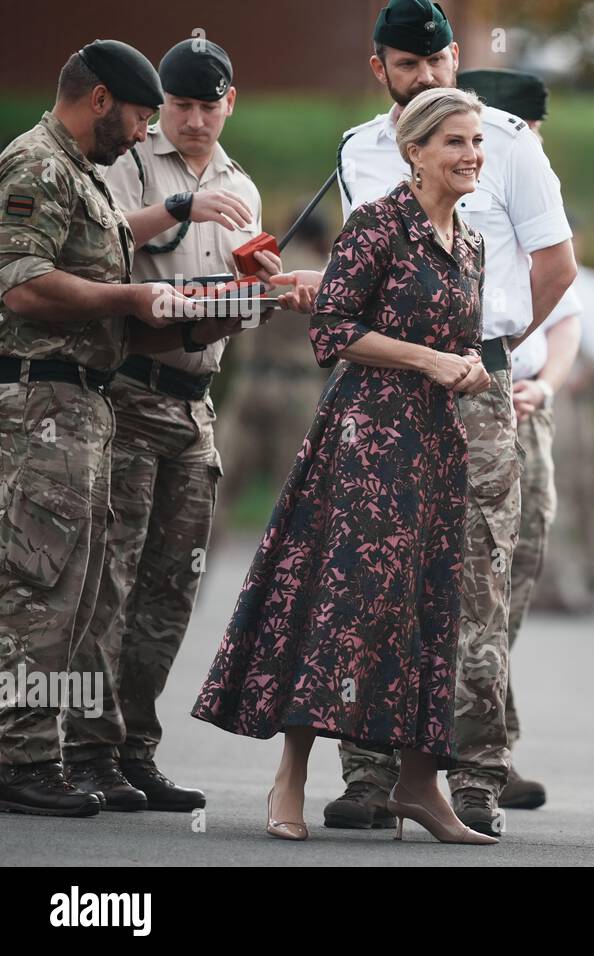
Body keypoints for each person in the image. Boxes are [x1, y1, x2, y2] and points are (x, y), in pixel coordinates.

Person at [272, 0, 578, 837]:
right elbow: (351, 293)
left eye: (440, 58)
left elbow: (557, 265)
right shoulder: (358, 151)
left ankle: (473, 775)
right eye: (409, 64)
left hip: (474, 388)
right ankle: (368, 776)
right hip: (380, 396)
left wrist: (497, 345)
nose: (429, 75)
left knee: (475, 581)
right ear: (382, 68)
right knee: (371, 583)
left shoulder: (508, 141)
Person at [190, 87, 496, 847]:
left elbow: (466, 337)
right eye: (454, 142)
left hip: (434, 440)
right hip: (367, 435)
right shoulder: (374, 226)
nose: (471, 155)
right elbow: (335, 327)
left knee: (426, 608)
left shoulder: (472, 242)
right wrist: (428, 357)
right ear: (415, 152)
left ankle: (420, 784)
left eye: (477, 141)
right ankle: (289, 775)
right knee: (342, 604)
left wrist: (473, 367)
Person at [0, 40, 234, 817]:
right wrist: (128, 300)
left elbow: (106, 304)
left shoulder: (86, 180)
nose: (144, 134)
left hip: (84, 406)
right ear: (101, 99)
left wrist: (202, 318)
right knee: (38, 584)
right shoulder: (38, 165)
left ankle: (38, 754)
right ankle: (22, 756)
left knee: (71, 588)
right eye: (140, 116)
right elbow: (23, 286)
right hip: (41, 409)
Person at [60, 37, 279, 814]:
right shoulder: (127, 160)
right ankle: (83, 750)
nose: (193, 120)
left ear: (230, 103)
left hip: (195, 401)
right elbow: (99, 250)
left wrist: (259, 292)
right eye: (179, 106)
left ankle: (134, 748)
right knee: (106, 585)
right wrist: (179, 208)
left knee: (170, 591)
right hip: (127, 392)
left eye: (206, 105)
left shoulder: (240, 184)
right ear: (161, 108)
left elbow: (245, 284)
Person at [456, 68, 584, 811]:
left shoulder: (537, 186)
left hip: (527, 405)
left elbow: (566, 310)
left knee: (514, 583)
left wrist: (541, 378)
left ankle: (491, 739)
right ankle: (471, 750)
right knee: (472, 587)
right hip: (473, 398)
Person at [212, 210, 331, 552]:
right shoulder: (320, 275)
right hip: (298, 389)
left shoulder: (262, 269)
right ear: (322, 239)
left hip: (250, 382)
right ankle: (285, 594)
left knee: (219, 489)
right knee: (295, 499)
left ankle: (191, 578)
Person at [531, 218, 594, 615]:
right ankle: (549, 583)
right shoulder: (530, 277)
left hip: (580, 405)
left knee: (584, 492)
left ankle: (588, 579)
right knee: (546, 490)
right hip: (544, 398)